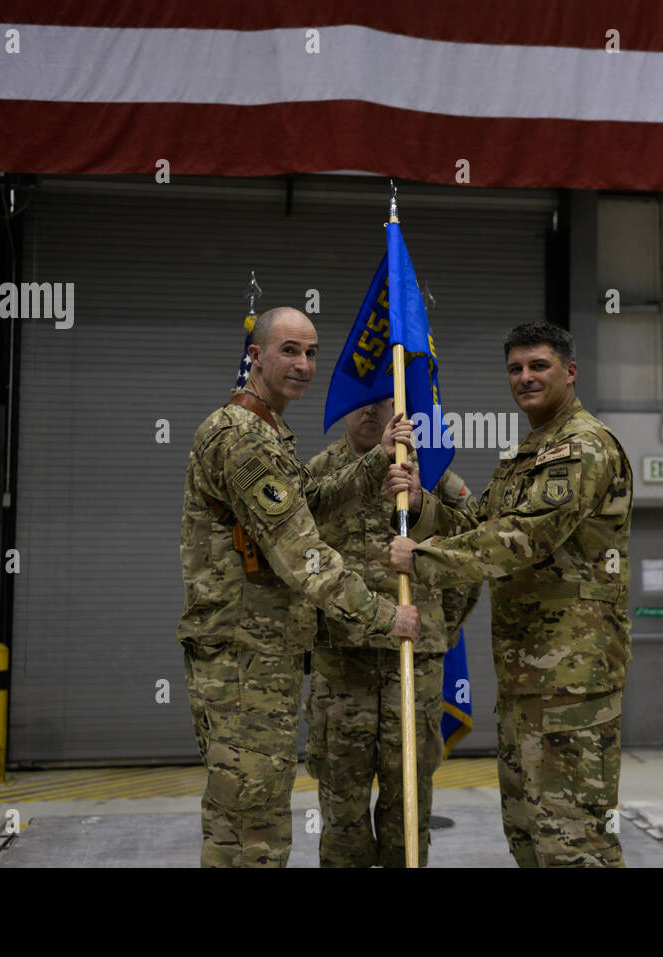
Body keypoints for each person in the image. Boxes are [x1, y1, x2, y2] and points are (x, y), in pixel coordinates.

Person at [177, 306, 420, 868]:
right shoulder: (243, 439)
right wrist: (387, 616)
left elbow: (304, 502)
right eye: (289, 350)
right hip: (243, 658)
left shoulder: (269, 433)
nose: (305, 364)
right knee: (252, 824)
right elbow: (301, 553)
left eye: (312, 352)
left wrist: (372, 462)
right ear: (255, 356)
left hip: (262, 656)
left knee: (245, 814)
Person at [389, 321, 633, 867]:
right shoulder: (528, 450)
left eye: (538, 366)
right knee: (529, 837)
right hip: (528, 676)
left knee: (574, 844)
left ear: (570, 372)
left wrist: (422, 559)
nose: (524, 378)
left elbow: (524, 538)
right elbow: (479, 519)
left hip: (572, 682)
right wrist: (422, 502)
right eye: (515, 369)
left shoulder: (583, 447)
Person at [305, 397, 481, 867]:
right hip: (341, 664)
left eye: (381, 401)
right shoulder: (317, 475)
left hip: (413, 663)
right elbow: (292, 556)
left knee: (409, 796)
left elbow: (473, 547)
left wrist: (423, 503)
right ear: (343, 405)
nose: (369, 411)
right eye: (359, 400)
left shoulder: (432, 474)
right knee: (341, 797)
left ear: (398, 406)